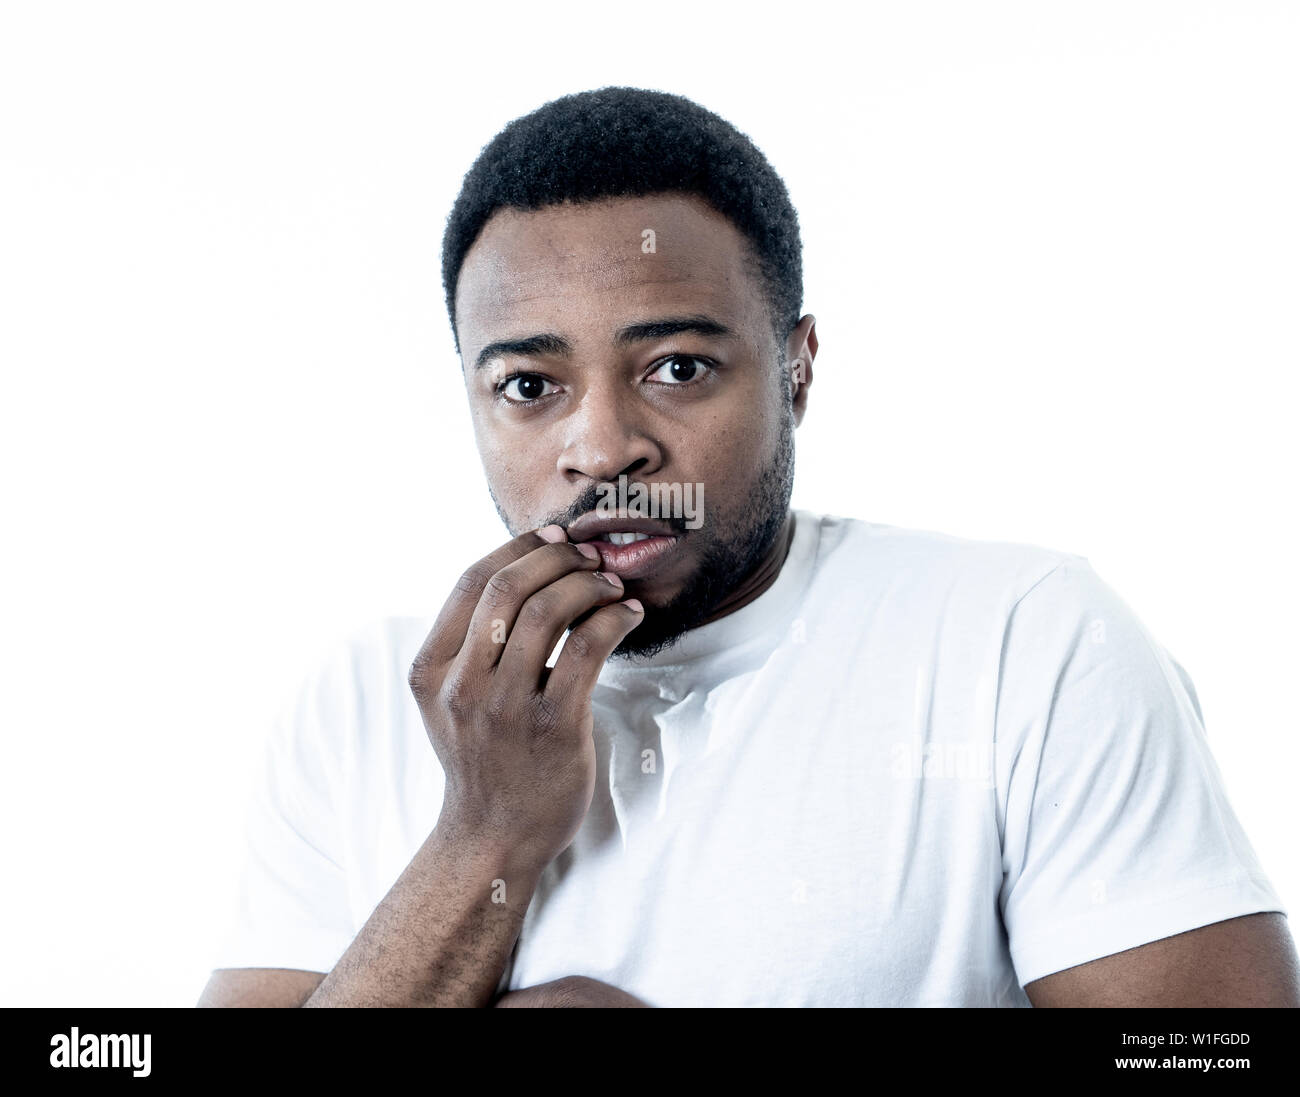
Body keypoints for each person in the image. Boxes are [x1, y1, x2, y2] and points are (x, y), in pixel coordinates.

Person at [199, 87, 1298, 1007]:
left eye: (675, 365)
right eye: (529, 387)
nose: (602, 449)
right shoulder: (359, 699)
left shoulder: (1023, 638)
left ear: (797, 367)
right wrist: (484, 832)